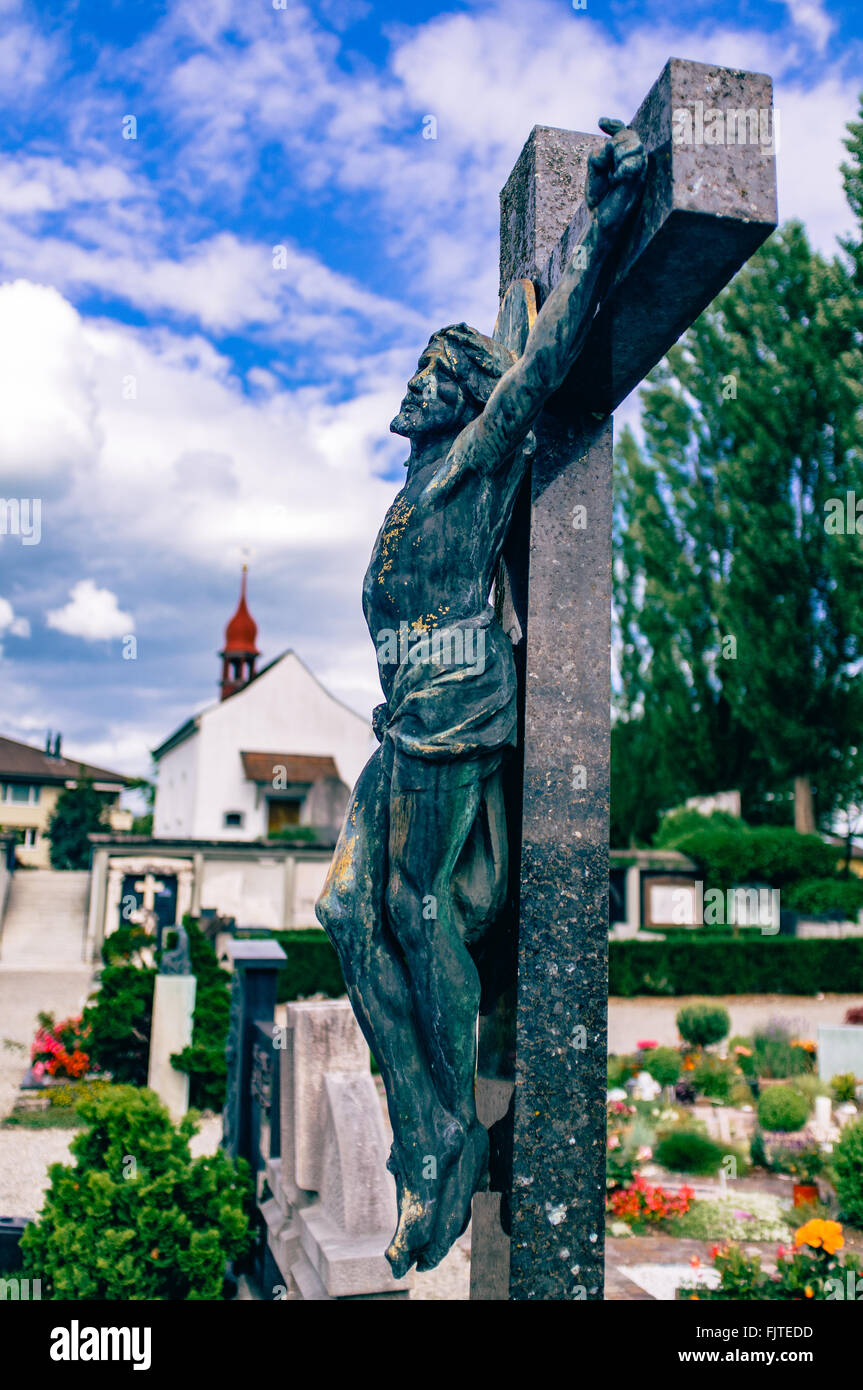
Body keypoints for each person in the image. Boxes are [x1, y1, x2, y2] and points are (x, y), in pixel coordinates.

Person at [317, 118, 646, 1277]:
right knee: (339, 912)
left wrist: (603, 217)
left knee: (411, 913)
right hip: (395, 725)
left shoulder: (470, 459)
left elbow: (540, 370)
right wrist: (514, 302)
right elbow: (519, 342)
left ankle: (440, 1144)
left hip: (453, 723)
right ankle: (429, 1120)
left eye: (432, 366)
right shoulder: (415, 487)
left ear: (456, 391)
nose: (414, 378)